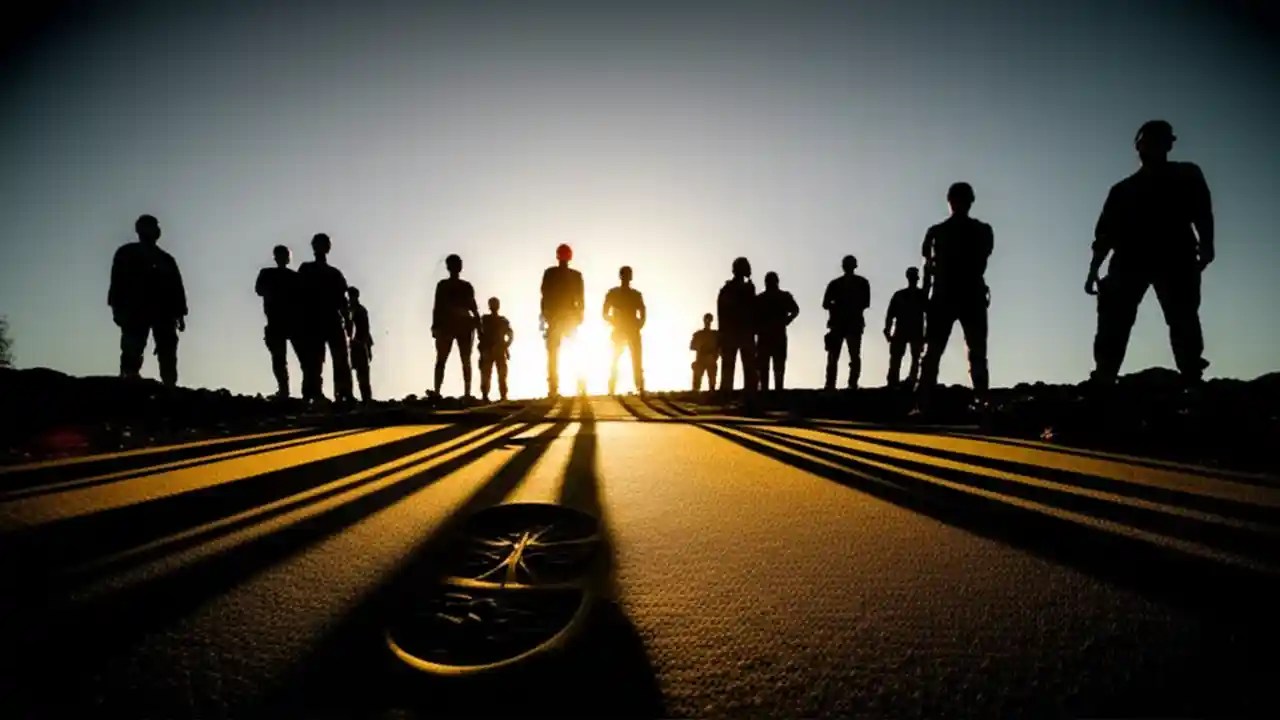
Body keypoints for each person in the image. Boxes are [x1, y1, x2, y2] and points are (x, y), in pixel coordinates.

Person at [1086, 120, 1214, 386]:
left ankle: (1191, 375)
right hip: (1130, 260)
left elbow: (1202, 210)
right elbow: (1105, 233)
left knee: (1183, 317)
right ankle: (1104, 376)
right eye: (1147, 141)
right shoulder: (1122, 190)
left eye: (1158, 140)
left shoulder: (1186, 174)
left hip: (1175, 256)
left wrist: (1207, 244)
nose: (1152, 147)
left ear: (1168, 144)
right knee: (1114, 321)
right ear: (1139, 146)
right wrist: (1093, 268)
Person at [916, 182, 994, 403]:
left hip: (950, 294)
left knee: (940, 351)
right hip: (965, 294)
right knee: (969, 351)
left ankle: (925, 400)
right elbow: (929, 268)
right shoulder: (981, 230)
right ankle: (980, 400)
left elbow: (928, 269)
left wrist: (926, 296)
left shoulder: (938, 232)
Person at [108, 214, 187, 387]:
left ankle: (169, 386)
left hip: (164, 312)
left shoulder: (166, 259)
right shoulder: (127, 253)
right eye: (149, 226)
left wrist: (181, 313)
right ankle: (128, 380)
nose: (153, 230)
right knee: (132, 348)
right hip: (136, 309)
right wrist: (116, 307)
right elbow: (117, 282)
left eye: (154, 226)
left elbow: (177, 286)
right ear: (139, 229)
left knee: (167, 351)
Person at [297, 233, 354, 403]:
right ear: (314, 247)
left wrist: (348, 320)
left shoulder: (334, 273)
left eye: (325, 244)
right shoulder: (306, 269)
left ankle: (343, 393)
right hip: (314, 319)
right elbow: (299, 295)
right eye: (319, 244)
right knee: (314, 360)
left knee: (341, 358)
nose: (322, 247)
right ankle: (313, 394)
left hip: (333, 319)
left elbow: (342, 300)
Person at [255, 245, 301, 398]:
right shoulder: (268, 274)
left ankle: (303, 392)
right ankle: (284, 391)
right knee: (279, 359)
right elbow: (259, 290)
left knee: (301, 358)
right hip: (277, 321)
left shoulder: (294, 277)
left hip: (292, 322)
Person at [431, 254, 480, 398]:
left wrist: (479, 325)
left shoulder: (466, 286)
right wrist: (435, 325)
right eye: (455, 264)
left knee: (465, 359)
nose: (458, 266)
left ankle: (467, 393)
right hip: (447, 325)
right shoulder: (443, 285)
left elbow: (473, 307)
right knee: (441, 359)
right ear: (448, 267)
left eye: (459, 263)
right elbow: (437, 307)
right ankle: (437, 391)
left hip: (465, 325)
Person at [540, 243, 585, 398]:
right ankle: (556, 386)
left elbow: (580, 298)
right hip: (558, 317)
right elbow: (544, 296)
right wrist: (545, 315)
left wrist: (579, 315)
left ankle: (569, 385)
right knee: (557, 352)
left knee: (565, 351)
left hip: (565, 317)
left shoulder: (570, 275)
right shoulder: (552, 274)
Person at [821, 255, 871, 390]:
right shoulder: (836, 284)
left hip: (852, 323)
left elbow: (865, 303)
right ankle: (831, 384)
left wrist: (846, 305)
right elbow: (825, 304)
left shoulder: (862, 283)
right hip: (839, 324)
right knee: (834, 356)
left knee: (853, 356)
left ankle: (851, 383)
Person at [716, 257, 757, 396]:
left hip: (738, 332)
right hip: (737, 332)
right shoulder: (734, 289)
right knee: (734, 366)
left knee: (746, 367)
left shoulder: (733, 288)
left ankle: (743, 395)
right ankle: (732, 394)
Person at [603, 265, 646, 395]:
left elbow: (643, 312)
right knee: (615, 358)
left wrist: (639, 324)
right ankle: (612, 387)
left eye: (628, 275)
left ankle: (639, 387)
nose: (627, 277)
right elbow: (604, 313)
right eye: (625, 274)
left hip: (632, 330)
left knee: (636, 359)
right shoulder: (613, 293)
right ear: (621, 276)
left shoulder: (636, 295)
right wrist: (613, 320)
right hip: (619, 330)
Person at [754, 271, 799, 391]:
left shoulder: (764, 298)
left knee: (775, 365)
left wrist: (788, 319)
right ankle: (771, 390)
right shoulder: (763, 298)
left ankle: (772, 390)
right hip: (770, 334)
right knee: (769, 365)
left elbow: (795, 310)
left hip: (773, 334)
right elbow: (795, 310)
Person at [884, 266, 927, 388]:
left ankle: (910, 381)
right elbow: (890, 315)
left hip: (913, 330)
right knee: (898, 358)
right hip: (904, 330)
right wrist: (887, 330)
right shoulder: (902, 295)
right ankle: (895, 382)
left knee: (913, 358)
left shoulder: (919, 295)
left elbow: (929, 314)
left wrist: (887, 330)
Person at [478, 296, 514, 402]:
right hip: (490, 349)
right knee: (488, 373)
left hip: (497, 349)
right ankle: (486, 395)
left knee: (499, 374)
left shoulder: (500, 320)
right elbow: (480, 333)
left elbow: (510, 334)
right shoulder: (485, 319)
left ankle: (502, 395)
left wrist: (506, 346)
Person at [347, 286, 374, 403]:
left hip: (359, 344)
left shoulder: (359, 311)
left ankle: (366, 398)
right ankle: (363, 398)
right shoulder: (351, 310)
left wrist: (365, 345)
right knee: (359, 373)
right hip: (355, 344)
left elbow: (365, 330)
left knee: (362, 373)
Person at [690, 313, 719, 392]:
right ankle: (696, 392)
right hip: (701, 359)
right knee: (697, 381)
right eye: (707, 319)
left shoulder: (714, 335)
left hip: (710, 359)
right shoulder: (699, 334)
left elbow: (719, 348)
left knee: (712, 379)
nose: (708, 321)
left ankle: (711, 391)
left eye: (709, 319)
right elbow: (693, 346)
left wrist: (714, 354)